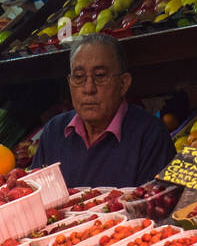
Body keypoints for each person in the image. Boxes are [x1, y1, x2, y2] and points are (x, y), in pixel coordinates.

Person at [33, 34, 174, 188]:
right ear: (69, 83)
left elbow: (153, 203)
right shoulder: (54, 131)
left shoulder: (150, 135)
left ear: (123, 83)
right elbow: (36, 195)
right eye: (79, 77)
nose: (88, 89)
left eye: (100, 76)